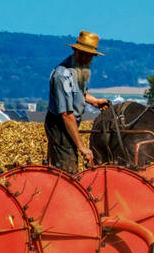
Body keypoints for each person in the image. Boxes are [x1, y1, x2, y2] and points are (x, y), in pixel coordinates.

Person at [45, 30, 111, 172]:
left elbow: (78, 93)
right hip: (60, 127)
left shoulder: (79, 70)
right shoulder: (62, 75)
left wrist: (94, 101)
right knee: (67, 170)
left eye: (89, 56)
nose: (85, 58)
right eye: (81, 53)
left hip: (68, 124)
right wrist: (82, 147)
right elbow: (66, 115)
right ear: (74, 50)